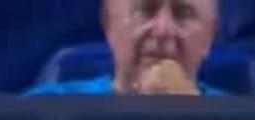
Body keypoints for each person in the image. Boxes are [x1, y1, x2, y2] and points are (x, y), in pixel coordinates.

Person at [25, 0, 224, 96]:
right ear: (108, 24)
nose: (163, 30)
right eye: (145, 11)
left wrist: (196, 116)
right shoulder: (44, 111)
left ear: (211, 36)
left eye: (183, 14)